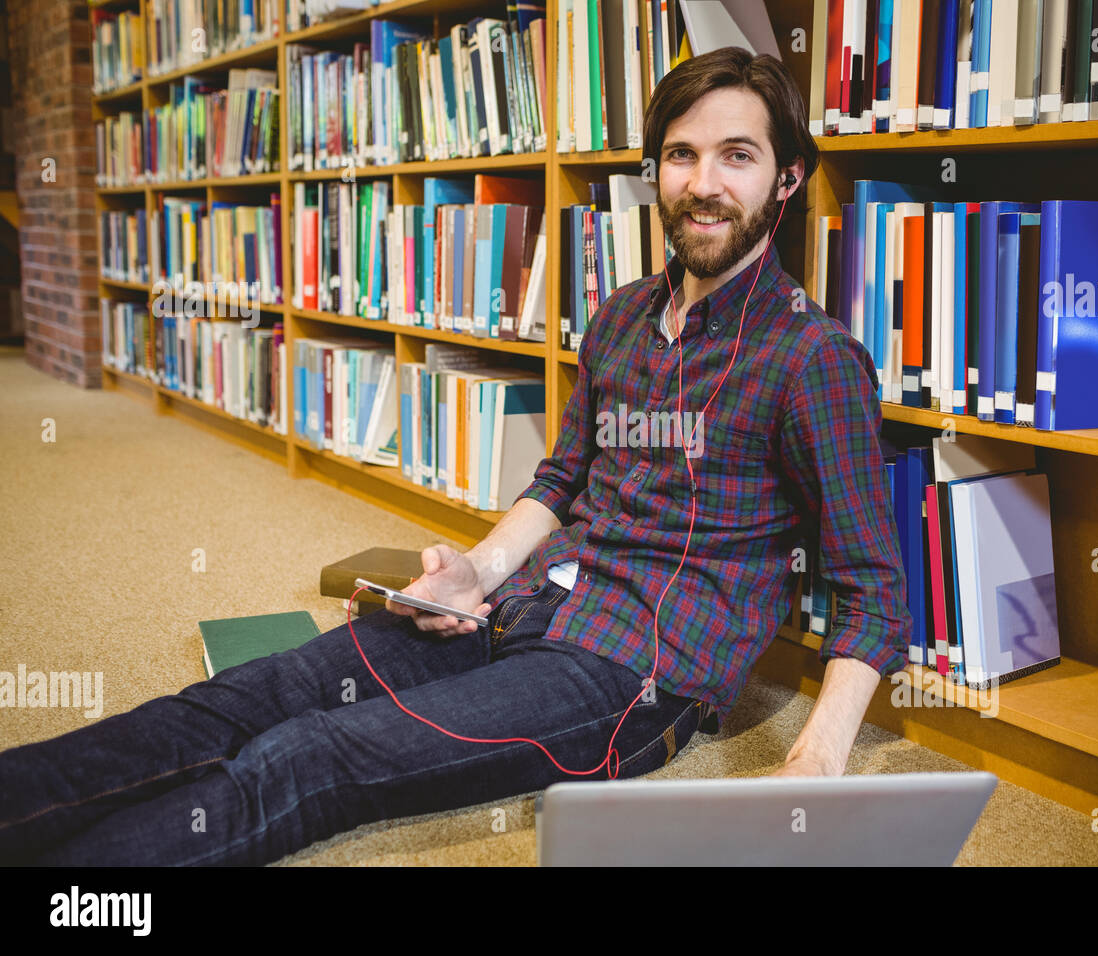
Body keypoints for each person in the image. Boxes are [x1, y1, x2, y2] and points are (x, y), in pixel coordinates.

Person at [0, 46, 911, 866]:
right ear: (655, 170)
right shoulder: (622, 316)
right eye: (681, 154)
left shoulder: (812, 360)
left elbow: (874, 590)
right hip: (515, 609)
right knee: (245, 697)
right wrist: (473, 570)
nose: (703, 182)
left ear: (786, 181)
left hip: (632, 676)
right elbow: (562, 479)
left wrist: (816, 754)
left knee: (309, 757)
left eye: (737, 156)